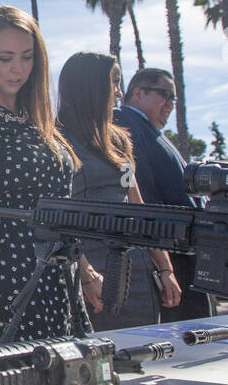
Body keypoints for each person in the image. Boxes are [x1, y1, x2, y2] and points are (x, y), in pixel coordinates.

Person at [0, 6, 101, 344]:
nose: (18, 69)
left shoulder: (41, 120)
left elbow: (61, 209)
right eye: (6, 57)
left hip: (60, 280)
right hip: (2, 278)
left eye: (27, 57)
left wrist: (85, 271)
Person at [56, 52, 182, 329]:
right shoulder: (56, 139)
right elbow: (57, 217)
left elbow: (137, 208)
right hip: (90, 275)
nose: (119, 92)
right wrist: (86, 276)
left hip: (136, 272)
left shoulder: (119, 139)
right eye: (113, 82)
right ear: (88, 85)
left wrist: (164, 268)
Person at [114, 67, 213, 321]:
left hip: (181, 255)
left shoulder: (148, 129)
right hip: (166, 255)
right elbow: (140, 194)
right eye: (164, 95)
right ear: (138, 93)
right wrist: (163, 265)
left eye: (174, 99)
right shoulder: (125, 121)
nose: (170, 104)